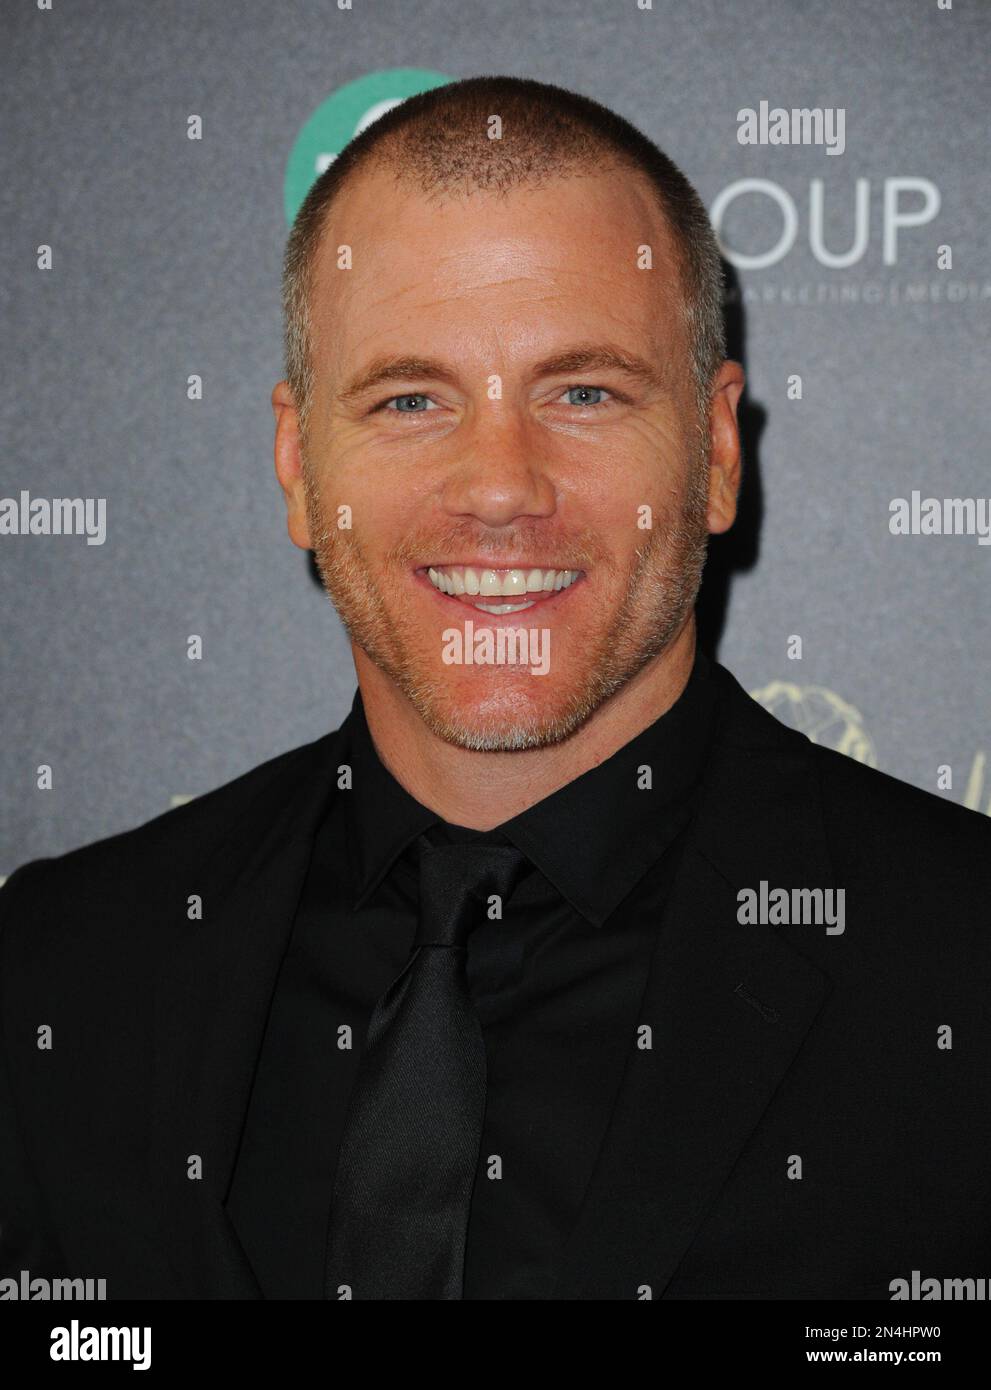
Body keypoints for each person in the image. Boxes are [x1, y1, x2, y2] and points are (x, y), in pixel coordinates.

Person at [2, 75, 989, 1302]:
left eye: (583, 392)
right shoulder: (57, 976)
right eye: (411, 399)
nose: (501, 485)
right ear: (300, 464)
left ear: (717, 451)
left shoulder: (963, 970)